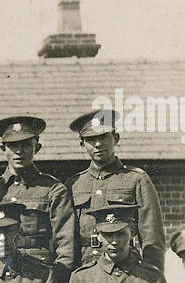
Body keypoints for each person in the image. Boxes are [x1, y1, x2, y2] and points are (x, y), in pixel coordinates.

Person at [67, 109, 167, 271]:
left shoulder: (136, 179)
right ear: (82, 145)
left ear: (116, 138)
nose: (98, 144)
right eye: (91, 139)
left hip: (127, 270)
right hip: (86, 272)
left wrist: (153, 279)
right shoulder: (74, 184)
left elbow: (152, 240)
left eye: (103, 136)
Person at [0, 115, 77, 283]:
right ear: (3, 149)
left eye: (26, 145)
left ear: (37, 148)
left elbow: (65, 242)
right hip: (2, 273)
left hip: (40, 275)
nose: (19, 151)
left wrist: (56, 278)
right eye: (13, 145)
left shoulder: (53, 189)